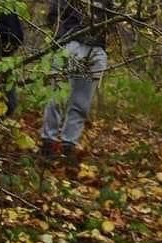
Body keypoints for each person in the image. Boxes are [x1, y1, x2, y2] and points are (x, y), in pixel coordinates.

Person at [41, 0, 113, 161]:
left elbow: (113, 23)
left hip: (96, 50)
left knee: (81, 103)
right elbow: (53, 15)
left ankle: (69, 146)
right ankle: (48, 144)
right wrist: (62, 38)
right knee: (57, 96)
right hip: (71, 43)